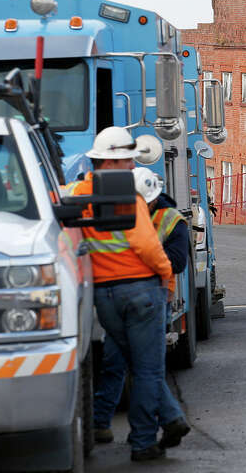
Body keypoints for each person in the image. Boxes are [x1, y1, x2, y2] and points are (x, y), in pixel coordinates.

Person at [64, 127, 188, 462]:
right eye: (129, 161)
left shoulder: (76, 192)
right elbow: (146, 246)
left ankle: (174, 418)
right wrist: (165, 276)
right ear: (115, 161)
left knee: (131, 361)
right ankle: (144, 441)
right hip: (141, 292)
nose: (133, 168)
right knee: (148, 370)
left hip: (104, 298)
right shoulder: (128, 198)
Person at [93, 167, 191, 450]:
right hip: (129, 296)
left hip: (155, 296)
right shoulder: (119, 210)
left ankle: (154, 428)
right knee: (118, 362)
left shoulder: (171, 220)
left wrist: (135, 264)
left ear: (151, 199)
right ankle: (102, 423)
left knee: (145, 367)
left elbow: (177, 262)